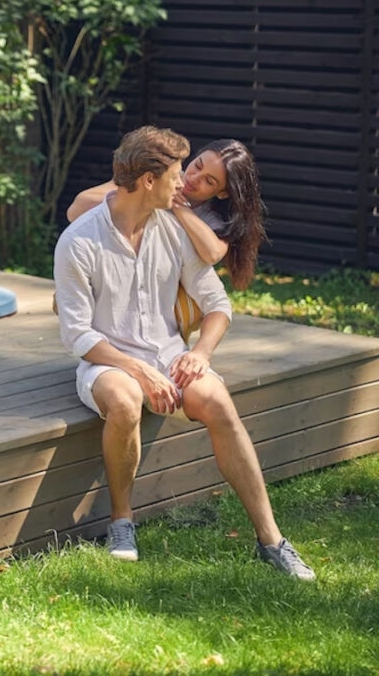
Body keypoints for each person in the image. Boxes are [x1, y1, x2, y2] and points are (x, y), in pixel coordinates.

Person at [53, 125, 315, 580]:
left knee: (217, 400)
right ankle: (122, 522)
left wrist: (202, 354)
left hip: (168, 353)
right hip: (106, 361)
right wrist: (138, 370)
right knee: (123, 398)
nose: (185, 187)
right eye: (180, 174)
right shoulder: (79, 241)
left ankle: (272, 541)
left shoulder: (173, 230)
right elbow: (77, 335)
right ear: (150, 180)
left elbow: (217, 303)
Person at [66, 139, 266, 341]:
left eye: (209, 181)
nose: (194, 178)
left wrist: (178, 206)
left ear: (222, 193)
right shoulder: (159, 175)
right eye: (197, 165)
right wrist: (135, 196)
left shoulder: (211, 218)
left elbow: (213, 253)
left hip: (167, 293)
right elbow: (76, 210)